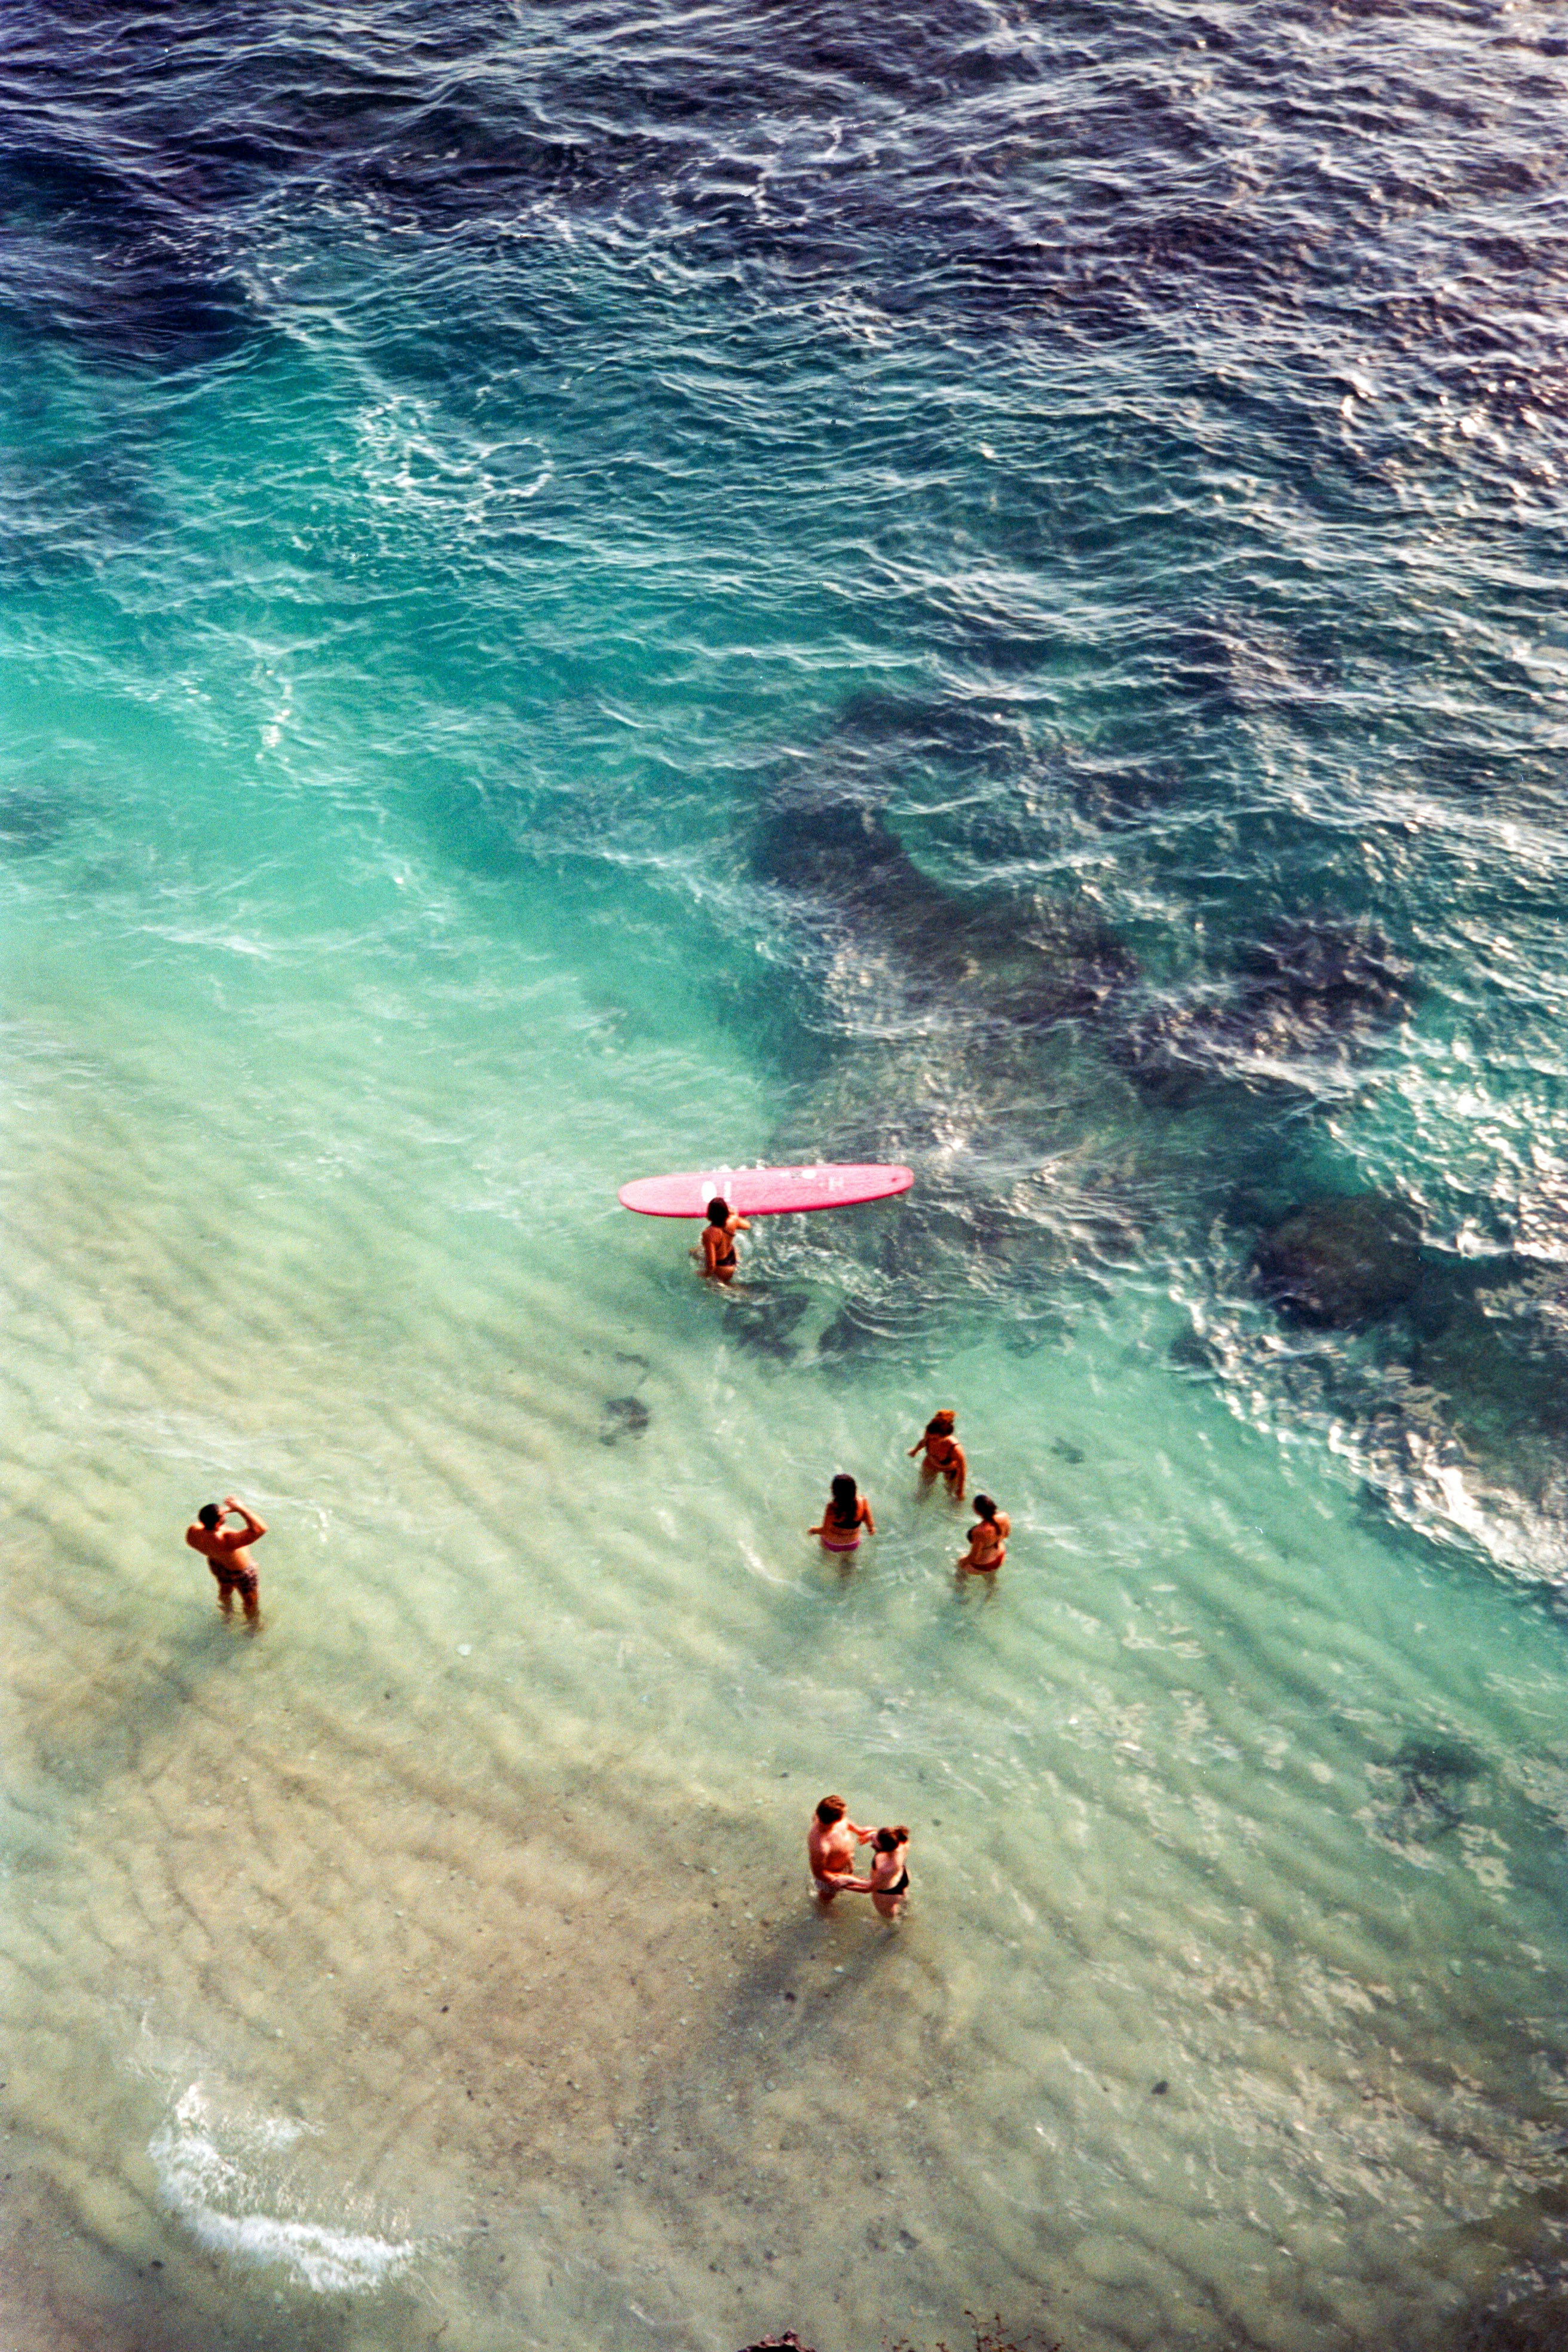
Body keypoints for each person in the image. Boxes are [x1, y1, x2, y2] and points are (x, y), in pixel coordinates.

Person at [186, 1496, 267, 1621]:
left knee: (225, 1591)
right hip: (242, 1573)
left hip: (218, 1565)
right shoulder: (226, 1540)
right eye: (222, 1514)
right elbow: (260, 1529)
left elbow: (202, 1530)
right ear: (218, 1524)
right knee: (251, 1603)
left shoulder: (193, 1531)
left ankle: (226, 1616)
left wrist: (218, 1513)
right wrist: (241, 1509)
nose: (225, 1512)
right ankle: (253, 1627)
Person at [806, 1794, 874, 1903]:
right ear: (835, 1821)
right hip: (833, 1875)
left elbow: (846, 1822)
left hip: (845, 1863)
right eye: (843, 1815)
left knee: (849, 1873)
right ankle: (824, 1910)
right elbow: (819, 1873)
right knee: (826, 1897)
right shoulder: (821, 1846)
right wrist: (840, 1881)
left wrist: (859, 1830)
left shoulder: (826, 1816)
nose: (845, 1817)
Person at [809, 1472, 875, 1555]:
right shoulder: (863, 1501)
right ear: (854, 1489)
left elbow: (825, 1531)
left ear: (835, 1492)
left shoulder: (832, 1508)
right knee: (848, 1566)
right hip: (852, 1544)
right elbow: (870, 1523)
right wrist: (871, 1529)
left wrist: (813, 1530)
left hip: (833, 1544)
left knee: (824, 1557)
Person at [908, 1408, 966, 1499]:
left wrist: (961, 1490)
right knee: (922, 1494)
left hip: (949, 1470)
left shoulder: (954, 1448)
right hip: (930, 1464)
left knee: (952, 1496)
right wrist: (915, 1451)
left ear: (945, 1437)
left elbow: (963, 1469)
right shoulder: (930, 1434)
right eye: (929, 1437)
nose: (931, 1440)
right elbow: (923, 1442)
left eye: (935, 1439)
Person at [699, 1195, 749, 1283]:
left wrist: (704, 1275)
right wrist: (735, 1216)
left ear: (710, 1214)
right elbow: (748, 1226)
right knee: (694, 1252)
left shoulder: (708, 1234)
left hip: (722, 1269)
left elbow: (712, 1265)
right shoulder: (733, 1220)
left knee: (719, 1289)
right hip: (733, 1257)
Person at [957, 1494, 1009, 1576]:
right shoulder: (1004, 1516)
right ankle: (992, 1585)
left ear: (978, 1512)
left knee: (960, 1564)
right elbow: (1006, 1535)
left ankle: (960, 1586)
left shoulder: (979, 1532)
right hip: (1000, 1556)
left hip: (984, 1566)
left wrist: (962, 1562)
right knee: (991, 1578)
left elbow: (974, 1557)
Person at [867, 1824, 911, 1918]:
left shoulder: (884, 1869)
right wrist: (871, 1835)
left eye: (876, 1840)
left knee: (890, 1919)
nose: (873, 1837)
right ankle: (906, 1908)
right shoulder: (903, 1843)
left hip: (887, 1893)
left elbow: (870, 1888)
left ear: (883, 1848)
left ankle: (894, 1929)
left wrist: (846, 1880)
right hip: (902, 1878)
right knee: (903, 1902)